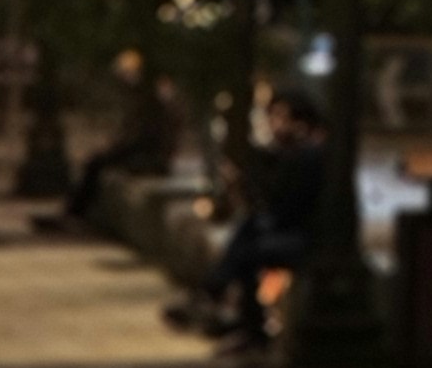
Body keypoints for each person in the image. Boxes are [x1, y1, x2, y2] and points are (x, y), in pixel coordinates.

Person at [169, 87, 327, 348]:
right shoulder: (291, 154)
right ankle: (222, 302)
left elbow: (286, 207)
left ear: (299, 123)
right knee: (248, 232)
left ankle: (224, 304)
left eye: (280, 117)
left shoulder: (307, 155)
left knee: (251, 249)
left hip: (307, 238)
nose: (273, 124)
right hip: (293, 229)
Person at [44, 50, 184, 233]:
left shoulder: (155, 105)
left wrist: (116, 150)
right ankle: (74, 212)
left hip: (151, 160)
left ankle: (75, 214)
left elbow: (143, 140)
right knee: (96, 162)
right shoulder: (151, 102)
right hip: (144, 154)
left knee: (95, 164)